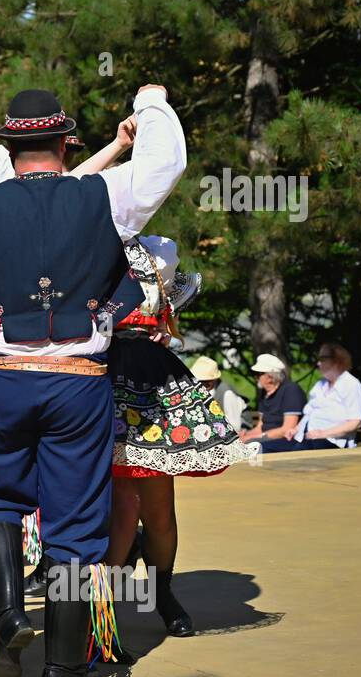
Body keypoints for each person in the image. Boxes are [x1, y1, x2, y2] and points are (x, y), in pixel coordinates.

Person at [0, 84, 187, 677]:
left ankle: (8, 618)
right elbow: (167, 162)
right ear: (66, 144)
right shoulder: (105, 195)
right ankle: (64, 666)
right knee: (76, 525)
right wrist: (151, 101)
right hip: (78, 382)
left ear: (9, 146)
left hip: (2, 378)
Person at [102, 237, 253, 637]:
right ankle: (101, 613)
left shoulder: (157, 250)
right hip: (102, 377)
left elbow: (164, 313)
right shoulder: (86, 240)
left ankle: (162, 594)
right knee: (121, 511)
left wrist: (163, 330)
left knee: (160, 512)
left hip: (154, 380)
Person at [259, 342, 361, 452]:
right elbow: (309, 414)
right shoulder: (321, 384)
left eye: (323, 359)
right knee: (261, 448)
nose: (318, 363)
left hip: (332, 443)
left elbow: (355, 423)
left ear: (337, 361)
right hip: (306, 439)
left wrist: (322, 433)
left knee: (290, 455)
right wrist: (295, 429)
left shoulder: (351, 384)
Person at [239, 354, 304, 443]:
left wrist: (253, 438)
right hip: (266, 439)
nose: (256, 377)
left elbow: (288, 428)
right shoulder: (264, 394)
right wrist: (245, 435)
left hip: (285, 441)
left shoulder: (291, 390)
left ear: (270, 377)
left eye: (258, 374)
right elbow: (260, 428)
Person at [190, 356, 248, 433]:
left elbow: (235, 426)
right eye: (199, 381)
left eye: (206, 380)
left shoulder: (227, 394)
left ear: (214, 379)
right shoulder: (203, 392)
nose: (202, 384)